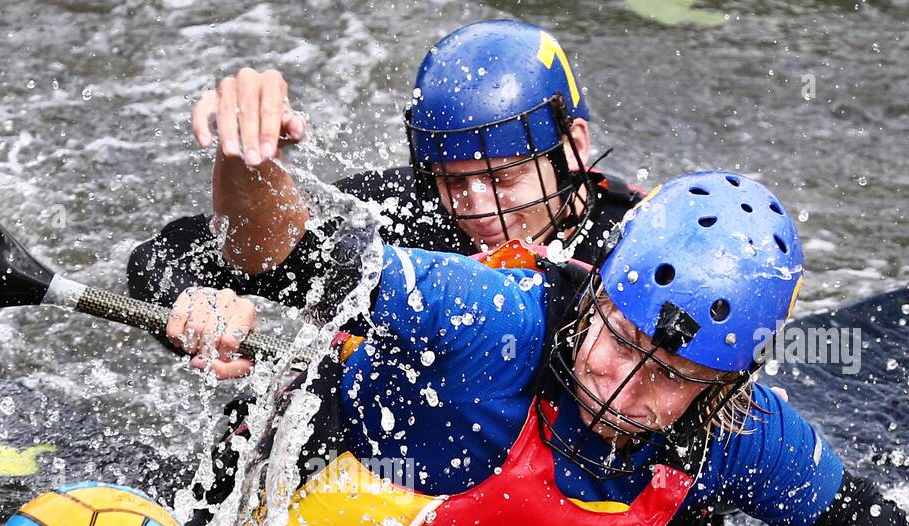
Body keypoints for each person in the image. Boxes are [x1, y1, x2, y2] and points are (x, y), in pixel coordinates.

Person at [166, 120, 909, 526]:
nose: (622, 387)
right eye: (619, 340)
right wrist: (248, 157)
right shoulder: (493, 315)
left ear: (726, 385)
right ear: (596, 287)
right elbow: (283, 255)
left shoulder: (741, 431)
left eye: (674, 377)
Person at [133, 19, 644, 378]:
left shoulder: (638, 244)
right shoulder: (403, 216)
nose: (475, 206)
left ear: (575, 147)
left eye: (505, 177)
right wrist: (248, 164)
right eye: (451, 180)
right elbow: (169, 255)